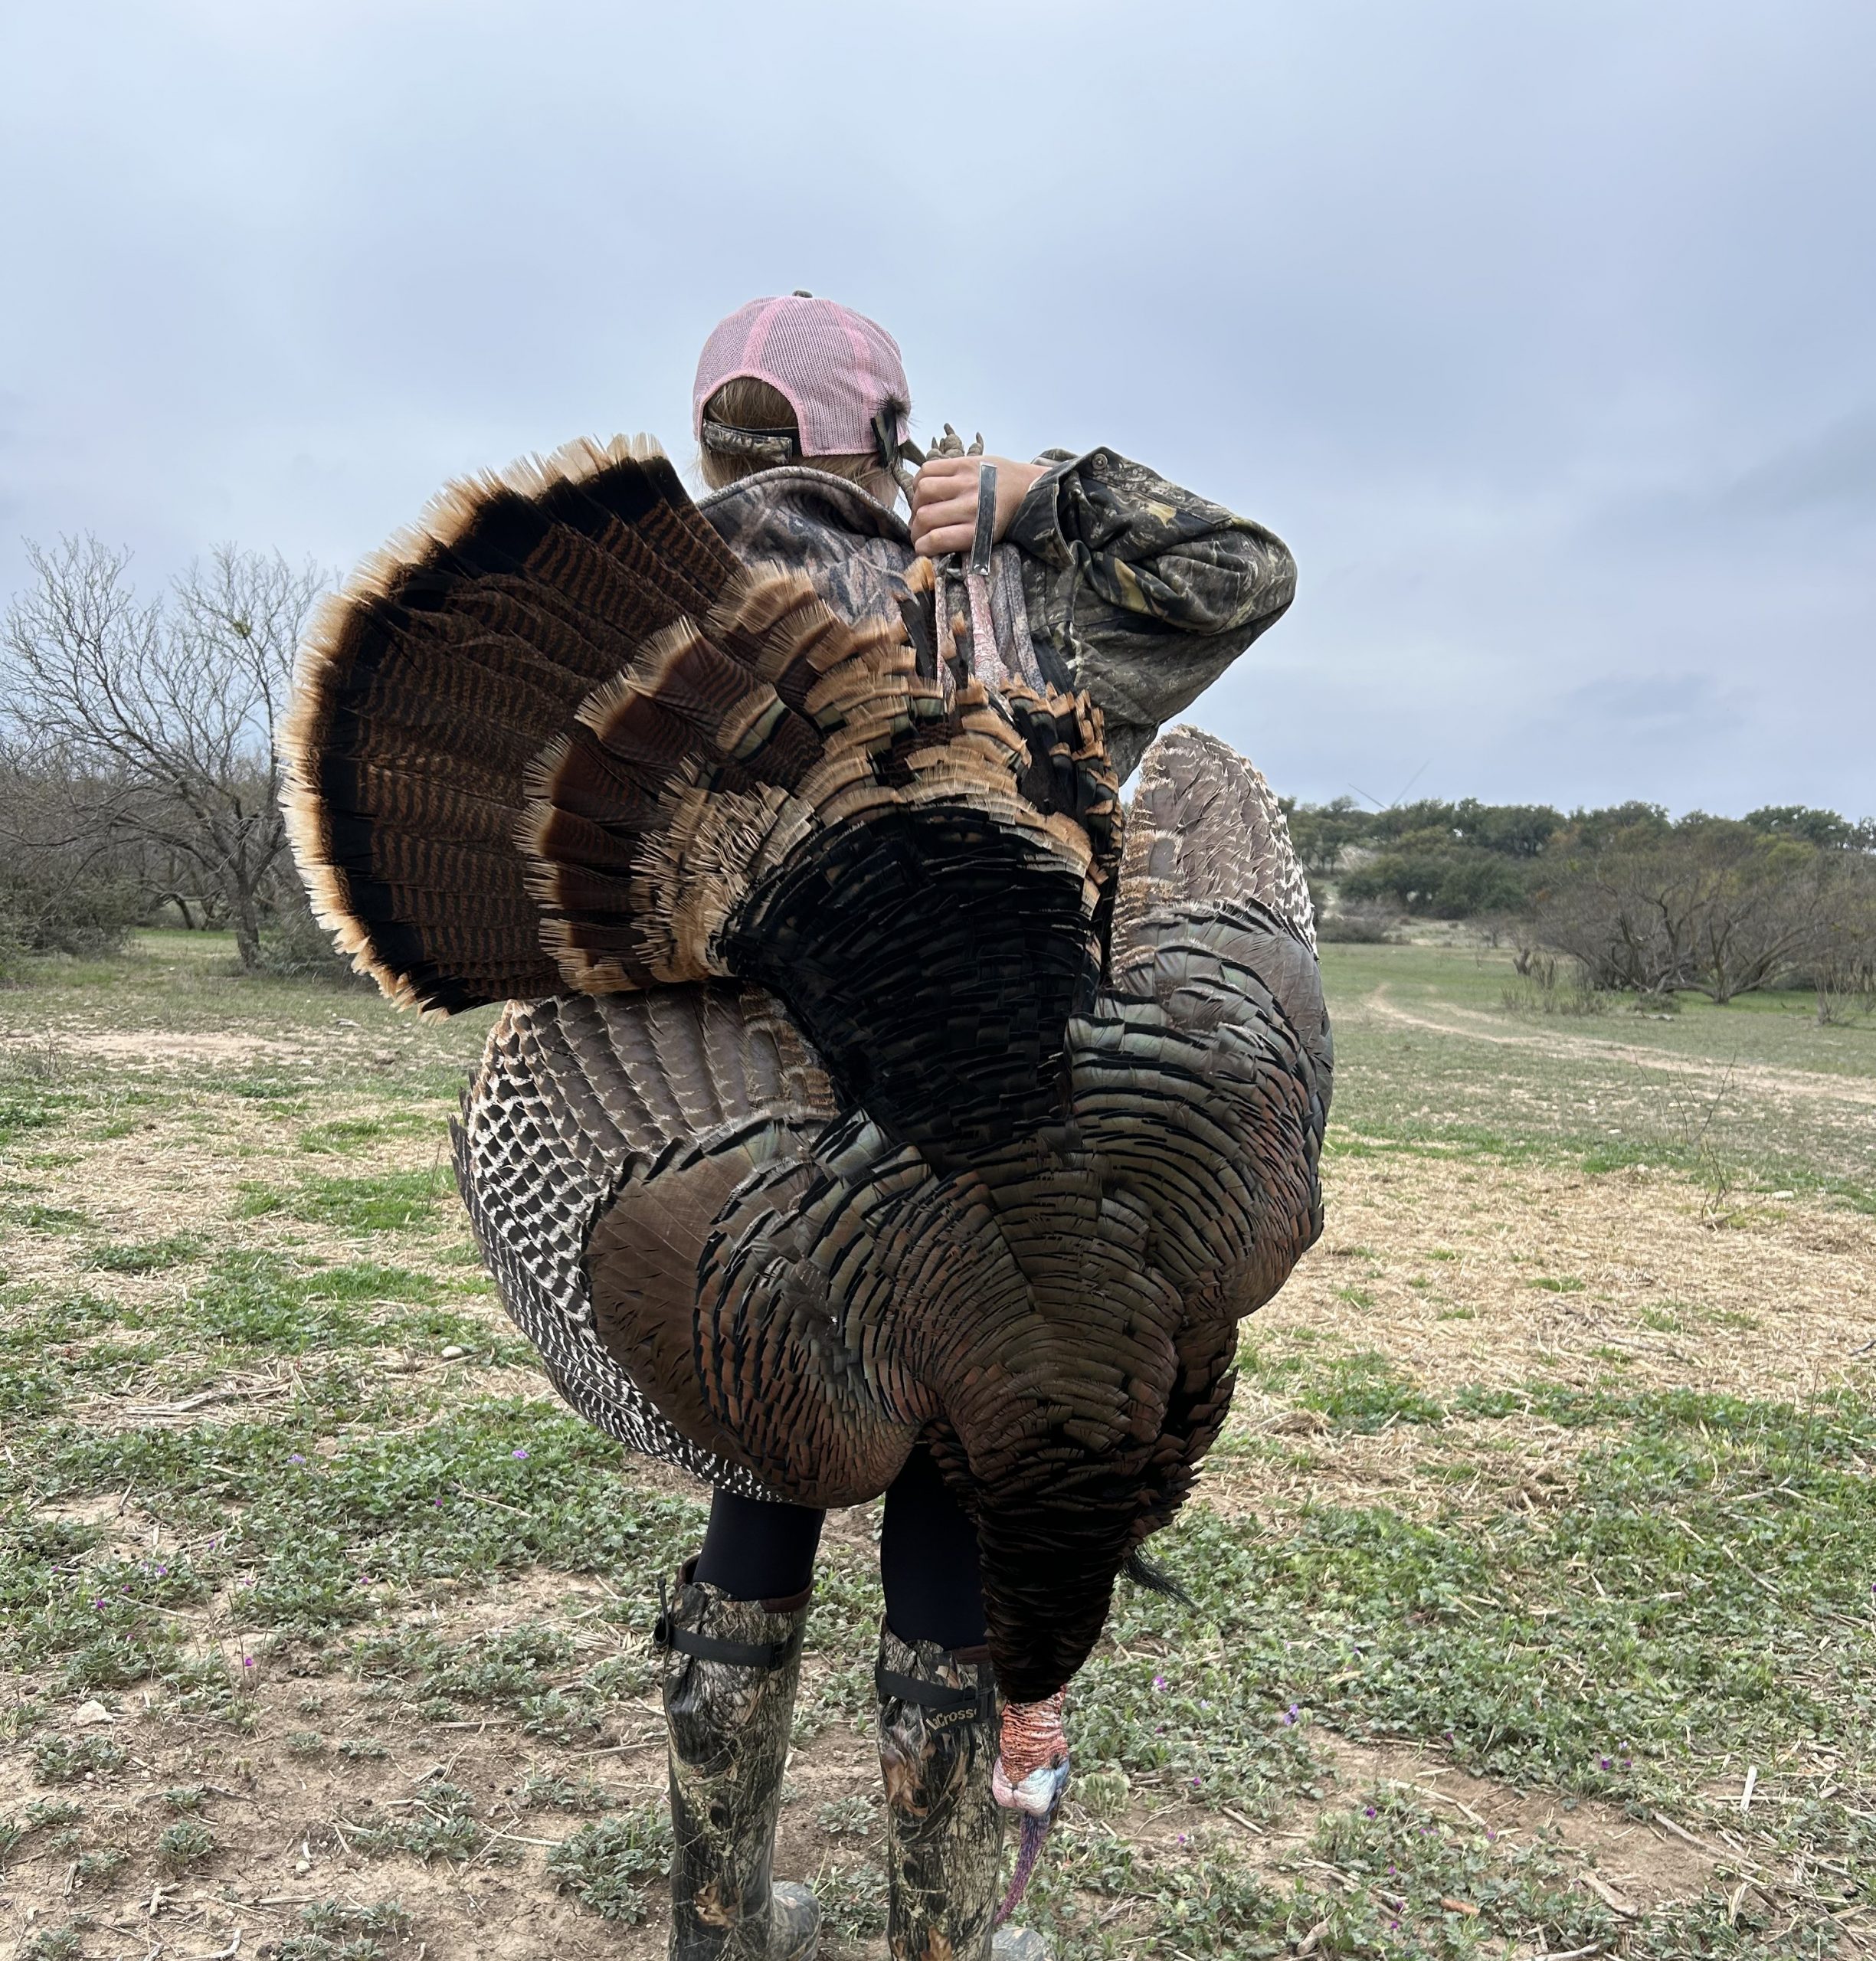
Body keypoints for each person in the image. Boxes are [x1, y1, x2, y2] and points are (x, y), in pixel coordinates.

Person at [652, 293, 1296, 1961]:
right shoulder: (1001, 591)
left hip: (752, 1151)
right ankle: (938, 1937)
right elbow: (1243, 569)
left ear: (717, 432)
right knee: (956, 1495)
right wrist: (1041, 496)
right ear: (890, 432)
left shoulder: (671, 607)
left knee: (760, 1488)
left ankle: (716, 1924)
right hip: (999, 1164)